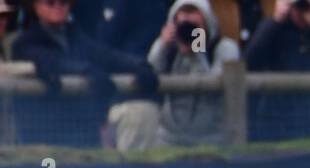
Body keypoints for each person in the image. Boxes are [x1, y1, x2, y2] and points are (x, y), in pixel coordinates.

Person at [12, 0, 160, 148]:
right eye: (50, 2)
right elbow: (49, 61)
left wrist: (139, 66)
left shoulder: (76, 37)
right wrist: (86, 71)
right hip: (43, 140)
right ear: (35, 6)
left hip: (83, 135)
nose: (57, 5)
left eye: (63, 2)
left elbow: (106, 56)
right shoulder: (24, 43)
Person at [147, 0, 239, 146]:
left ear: (208, 24)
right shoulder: (170, 49)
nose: (189, 32)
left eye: (195, 27)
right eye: (183, 25)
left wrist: (197, 50)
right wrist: (161, 45)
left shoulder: (224, 48)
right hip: (169, 140)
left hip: (211, 141)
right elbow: (149, 74)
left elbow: (212, 89)